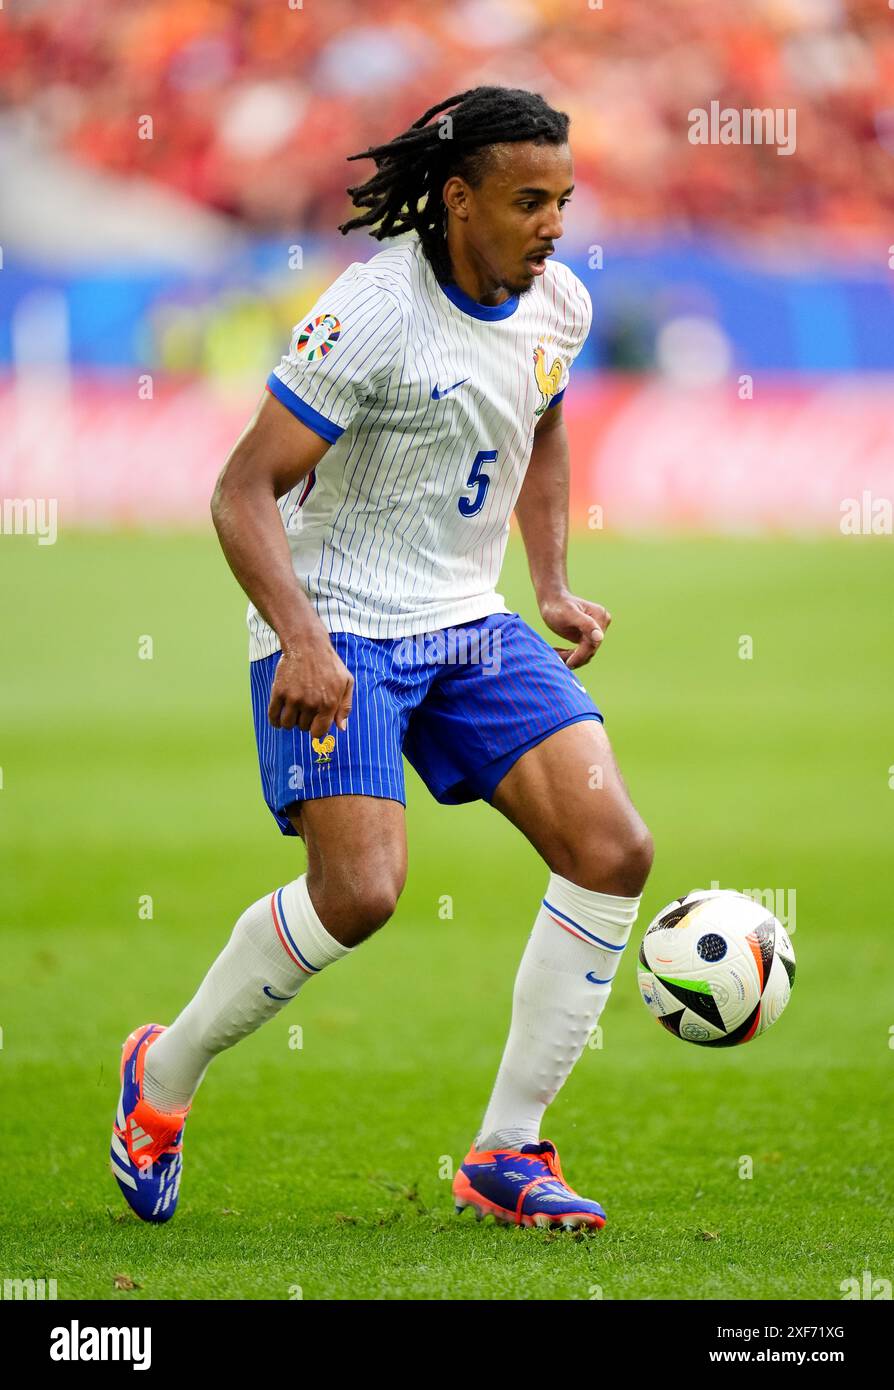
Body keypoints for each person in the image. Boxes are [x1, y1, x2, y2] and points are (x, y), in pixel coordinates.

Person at [109, 85, 653, 1229]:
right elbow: (239, 489)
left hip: (467, 618)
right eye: (526, 201)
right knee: (359, 894)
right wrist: (301, 638)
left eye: (563, 199)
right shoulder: (373, 313)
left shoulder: (559, 303)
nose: (553, 224)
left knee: (612, 848)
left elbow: (541, 428)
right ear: (457, 199)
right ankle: (162, 1076)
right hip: (340, 620)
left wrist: (547, 580)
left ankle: (506, 1151)